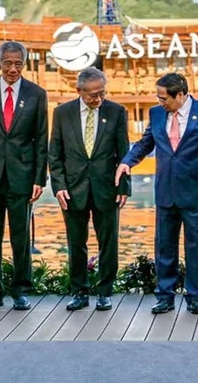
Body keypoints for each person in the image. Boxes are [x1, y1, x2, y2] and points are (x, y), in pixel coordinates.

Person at [115, 73, 198, 315]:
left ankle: (195, 296)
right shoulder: (157, 113)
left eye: (164, 98)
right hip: (165, 190)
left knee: (196, 246)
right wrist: (127, 162)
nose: (160, 103)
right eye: (158, 98)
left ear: (180, 95)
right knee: (164, 246)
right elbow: (145, 143)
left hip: (196, 191)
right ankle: (165, 296)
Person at [0, 41, 49, 312]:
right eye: (8, 63)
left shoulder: (37, 94)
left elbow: (41, 140)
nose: (13, 69)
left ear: (24, 64)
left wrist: (40, 178)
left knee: (20, 237)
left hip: (22, 176)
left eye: (18, 64)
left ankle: (21, 291)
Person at [49, 67, 131, 313]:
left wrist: (124, 186)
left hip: (107, 187)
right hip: (73, 190)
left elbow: (124, 153)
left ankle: (105, 292)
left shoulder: (116, 112)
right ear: (79, 91)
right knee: (76, 243)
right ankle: (79, 292)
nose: (98, 99)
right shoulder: (62, 113)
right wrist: (59, 186)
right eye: (93, 95)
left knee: (109, 242)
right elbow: (55, 155)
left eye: (102, 93)